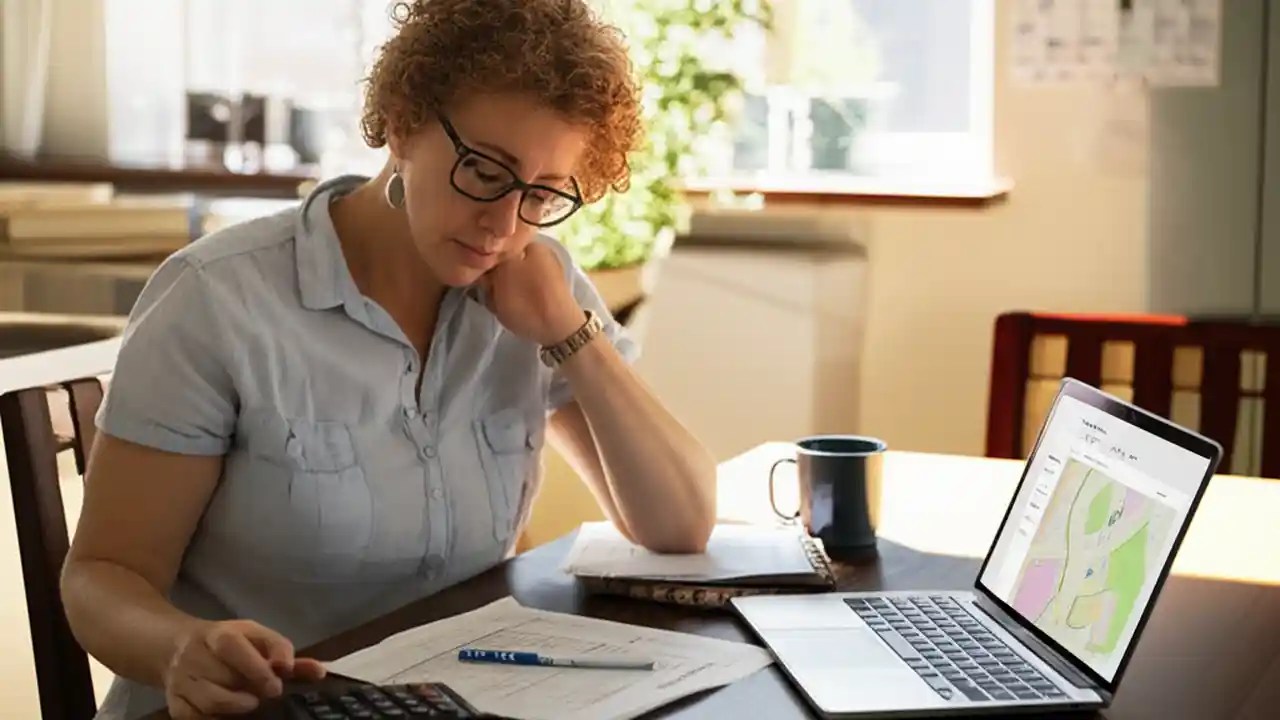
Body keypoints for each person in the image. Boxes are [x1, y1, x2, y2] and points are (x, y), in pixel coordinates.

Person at [60, 1, 718, 718]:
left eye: (542, 193)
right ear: (404, 123)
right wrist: (180, 646)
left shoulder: (535, 280)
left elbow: (678, 525)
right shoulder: (219, 301)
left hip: (443, 699)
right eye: (485, 172)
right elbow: (103, 575)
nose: (503, 223)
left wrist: (570, 330)